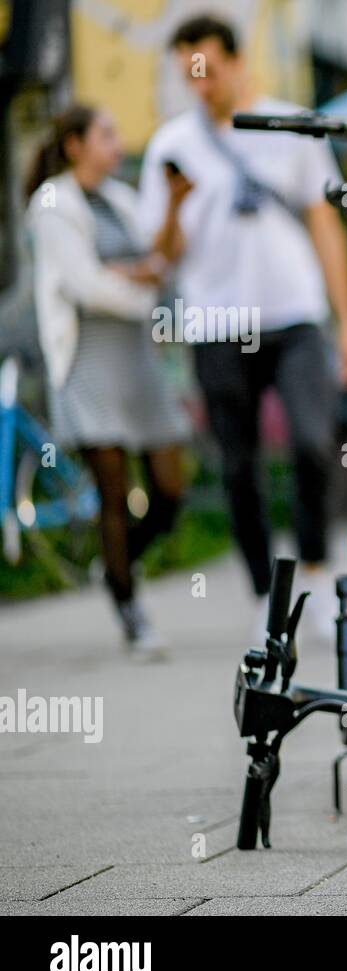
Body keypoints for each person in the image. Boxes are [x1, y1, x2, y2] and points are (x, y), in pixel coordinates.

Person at [138, 14, 347, 635]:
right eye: (188, 75)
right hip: (216, 322)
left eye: (206, 69)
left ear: (235, 62)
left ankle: (313, 570)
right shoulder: (170, 146)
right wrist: (176, 204)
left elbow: (324, 225)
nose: (199, 85)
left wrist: (346, 322)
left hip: (295, 316)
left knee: (315, 443)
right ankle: (266, 590)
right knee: (239, 464)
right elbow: (163, 256)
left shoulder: (292, 128)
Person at [26, 105, 190, 655]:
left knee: (170, 489)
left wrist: (170, 211)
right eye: (106, 134)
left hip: (137, 359)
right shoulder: (52, 202)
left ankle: (116, 563)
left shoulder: (121, 198)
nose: (116, 144)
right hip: (88, 359)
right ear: (74, 144)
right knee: (113, 493)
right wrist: (141, 279)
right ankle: (130, 607)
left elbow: (164, 257)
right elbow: (88, 287)